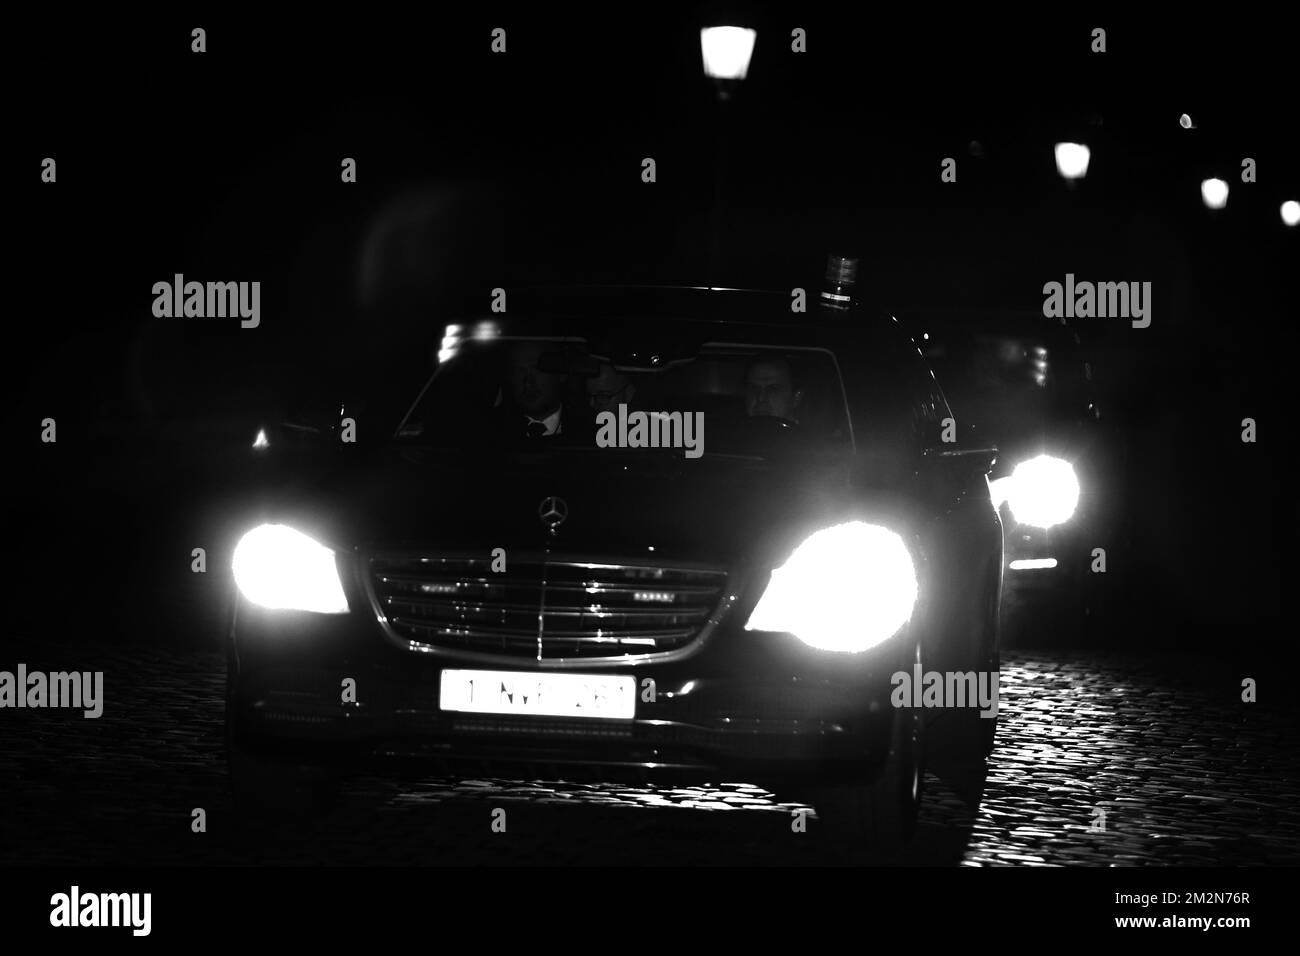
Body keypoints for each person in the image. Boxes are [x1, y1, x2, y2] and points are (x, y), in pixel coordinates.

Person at [743, 354, 803, 423]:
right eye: (754, 389)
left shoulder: (812, 433)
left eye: (773, 389)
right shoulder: (734, 433)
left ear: (796, 397)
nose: (761, 398)